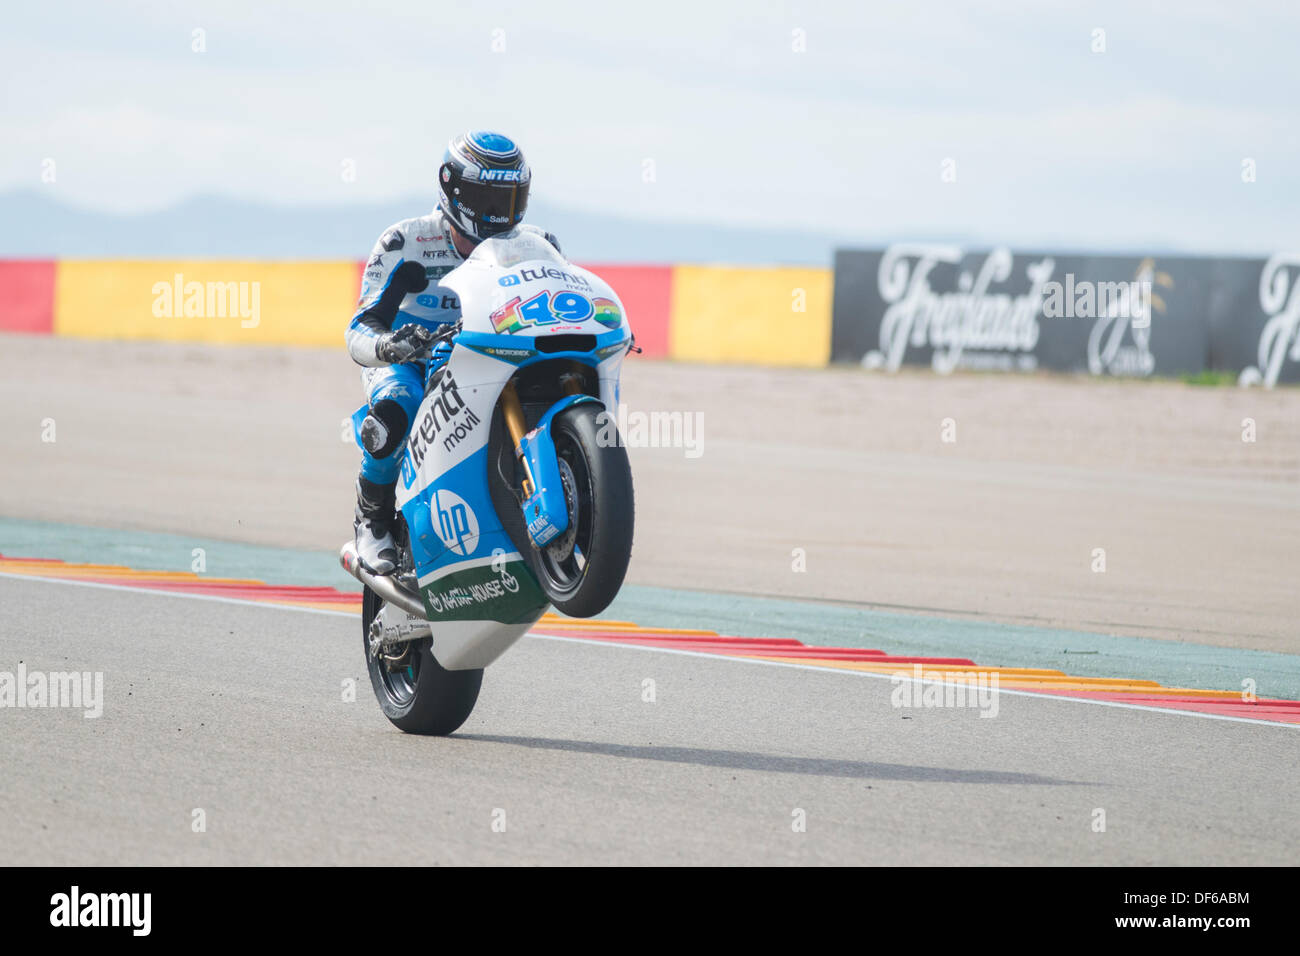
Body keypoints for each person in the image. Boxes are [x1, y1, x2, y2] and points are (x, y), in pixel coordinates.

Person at [345, 130, 560, 574]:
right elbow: (360, 328)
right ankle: (374, 519)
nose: (499, 213)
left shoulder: (539, 246)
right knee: (396, 405)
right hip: (415, 361)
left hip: (493, 353)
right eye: (488, 199)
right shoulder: (404, 243)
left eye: (509, 199)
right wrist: (390, 344)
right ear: (452, 188)